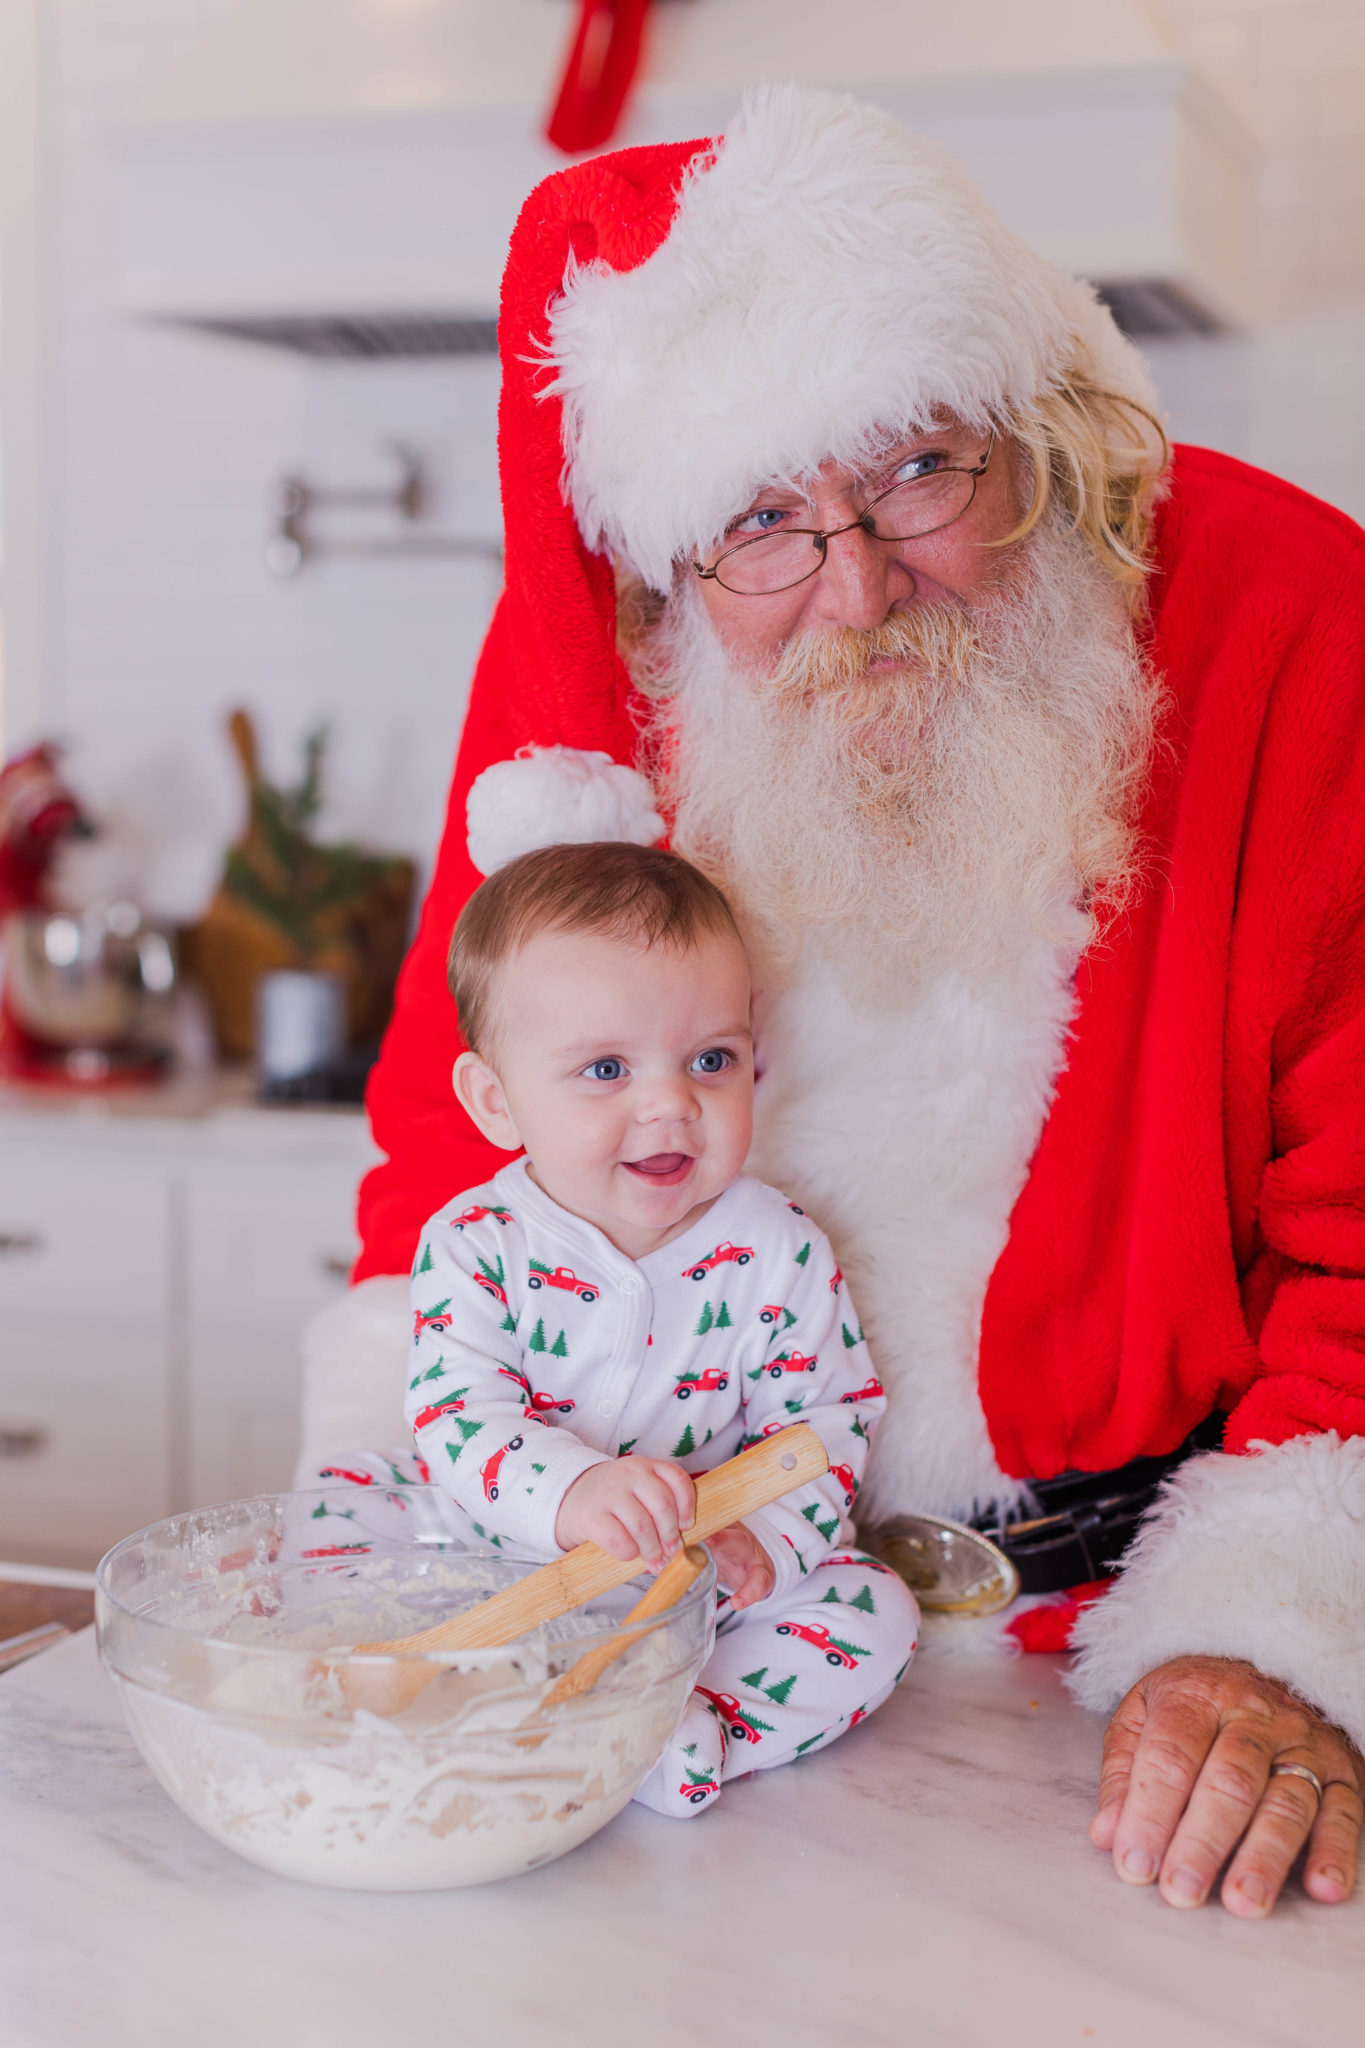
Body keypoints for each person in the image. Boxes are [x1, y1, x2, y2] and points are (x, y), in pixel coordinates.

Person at [300, 86, 1365, 1912]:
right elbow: (447, 1160)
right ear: (663, 572)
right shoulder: (599, 693)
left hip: (1126, 1671)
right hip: (657, 1626)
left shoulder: (1296, 614)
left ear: (1041, 426)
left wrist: (1270, 1628)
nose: (859, 589)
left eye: (920, 471)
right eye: (764, 523)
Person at [308, 838, 918, 1816]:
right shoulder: (475, 1244)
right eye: (605, 1068)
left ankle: (670, 1725)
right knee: (336, 1504)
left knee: (873, 1615)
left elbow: (831, 1417)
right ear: (497, 1101)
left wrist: (765, 1533)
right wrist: (572, 1489)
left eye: (711, 1059)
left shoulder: (781, 1247)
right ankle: (459, 1680)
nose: (671, 1103)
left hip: (692, 1580)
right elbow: (459, 1413)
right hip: (491, 1551)